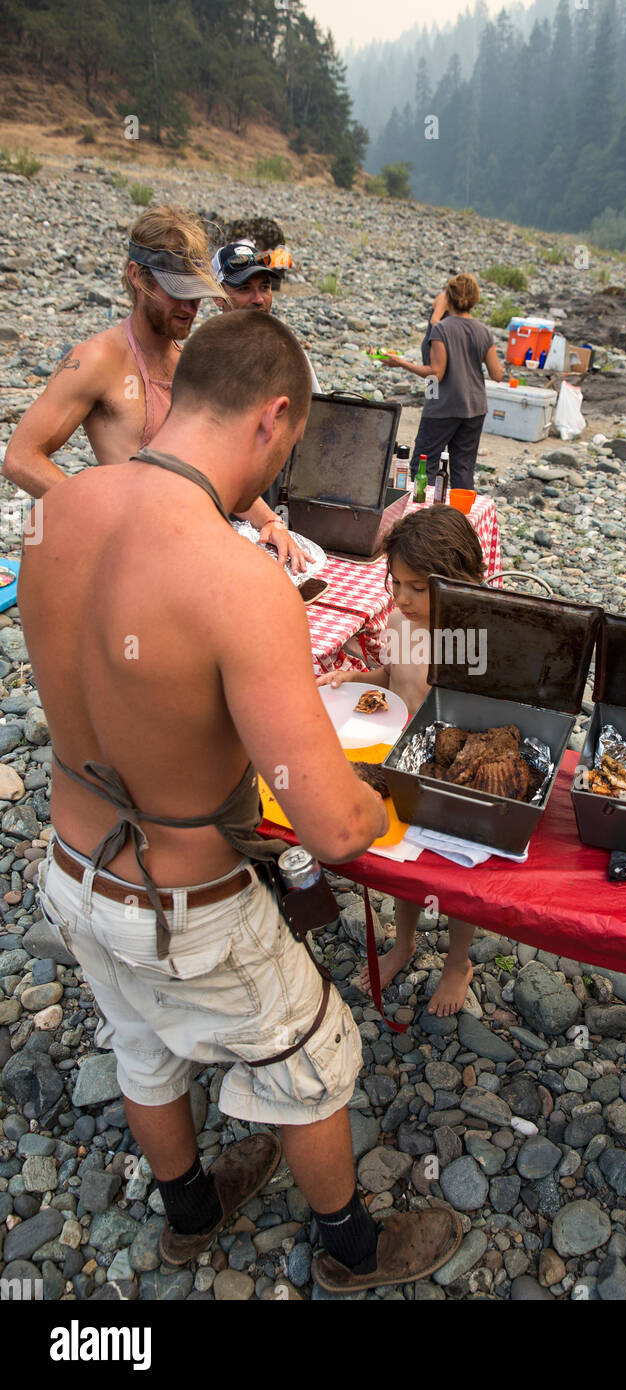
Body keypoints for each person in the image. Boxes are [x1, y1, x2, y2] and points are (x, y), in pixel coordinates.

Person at [19, 310, 461, 1293]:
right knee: (309, 1049)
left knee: (142, 1044)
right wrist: (410, 803)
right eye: (293, 445)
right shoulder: (239, 578)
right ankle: (351, 1250)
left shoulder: (57, 513)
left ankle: (191, 1217)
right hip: (180, 902)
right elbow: (332, 824)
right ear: (270, 419)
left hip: (72, 868)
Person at [2, 208, 301, 570]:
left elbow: (215, 466)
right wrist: (98, 509)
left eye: (196, 295)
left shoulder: (193, 361)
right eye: (178, 294)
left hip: (192, 546)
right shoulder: (98, 360)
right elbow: (20, 457)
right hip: (131, 559)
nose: (191, 308)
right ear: (137, 277)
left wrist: (270, 522)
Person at [316, 506, 487, 1015]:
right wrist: (355, 677)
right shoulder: (398, 621)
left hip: (450, 768)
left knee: (452, 869)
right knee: (404, 862)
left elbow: (479, 719)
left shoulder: (469, 639)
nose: (402, 598)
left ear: (457, 580)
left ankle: (460, 961)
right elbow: (394, 680)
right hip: (401, 753)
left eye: (417, 587)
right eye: (396, 583)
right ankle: (406, 941)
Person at [211, 238, 321, 518]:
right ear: (217, 295)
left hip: (276, 499)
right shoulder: (204, 358)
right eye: (244, 289)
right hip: (218, 503)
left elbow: (316, 422)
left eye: (265, 287)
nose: (258, 299)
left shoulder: (289, 352)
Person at [384, 273, 504, 490]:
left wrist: (401, 363)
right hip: (475, 407)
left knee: (424, 464)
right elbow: (497, 374)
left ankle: (428, 516)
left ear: (448, 297)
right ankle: (461, 519)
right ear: (475, 299)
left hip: (443, 407)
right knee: (463, 468)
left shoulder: (441, 329)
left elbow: (435, 373)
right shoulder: (484, 331)